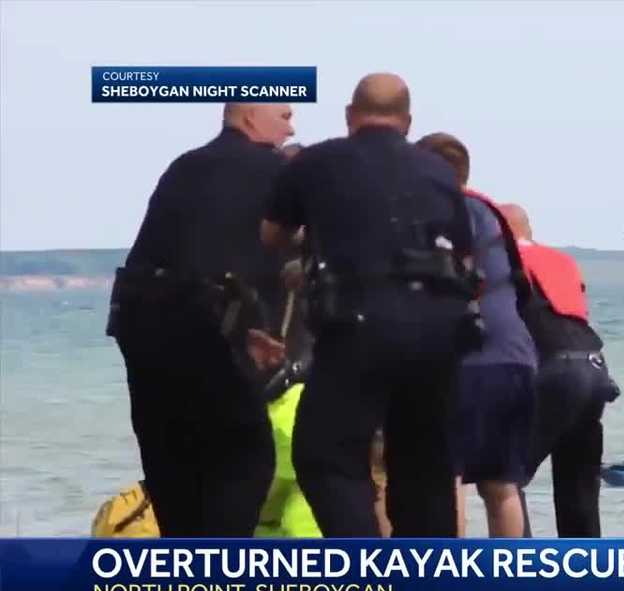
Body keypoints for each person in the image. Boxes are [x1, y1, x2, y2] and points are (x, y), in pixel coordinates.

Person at [261, 73, 479, 538]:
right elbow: (463, 256)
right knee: (424, 459)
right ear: (407, 121)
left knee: (326, 454)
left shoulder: (317, 162)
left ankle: (364, 574)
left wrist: (310, 248)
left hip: (359, 327)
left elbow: (271, 236)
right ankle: (425, 586)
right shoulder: (437, 172)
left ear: (349, 115)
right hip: (438, 331)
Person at [107, 103, 294, 544]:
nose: (292, 126)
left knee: (172, 461)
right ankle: (219, 588)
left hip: (141, 327)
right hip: (205, 328)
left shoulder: (184, 167)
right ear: (249, 119)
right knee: (247, 456)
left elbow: (187, 249)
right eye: (284, 116)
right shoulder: (271, 171)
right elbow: (247, 261)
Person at [415, 132, 537, 538]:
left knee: (445, 475)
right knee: (502, 484)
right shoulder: (492, 215)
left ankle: (453, 581)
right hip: (515, 356)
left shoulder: (433, 212)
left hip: (463, 361)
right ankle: (508, 588)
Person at [502, 204, 620, 538]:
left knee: (506, 478)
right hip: (595, 366)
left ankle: (519, 571)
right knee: (578, 483)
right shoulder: (563, 261)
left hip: (555, 368)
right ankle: (586, 573)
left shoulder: (504, 261)